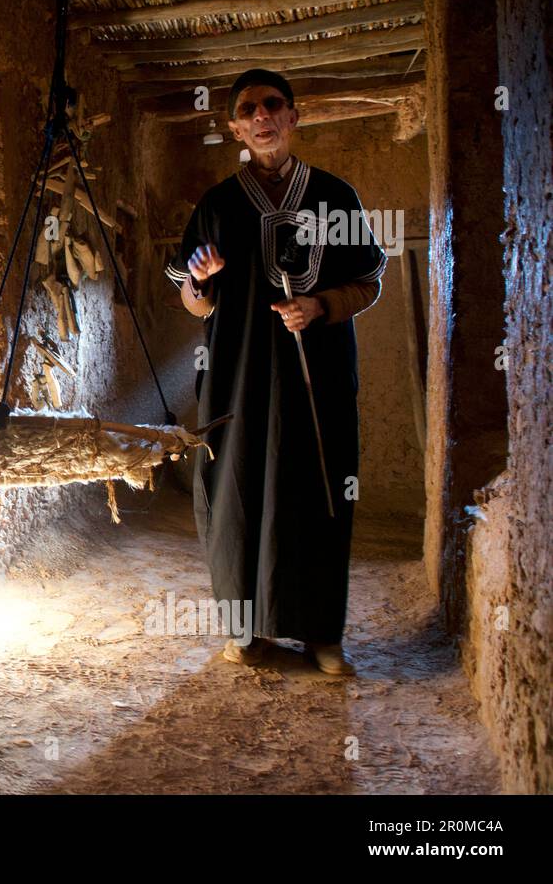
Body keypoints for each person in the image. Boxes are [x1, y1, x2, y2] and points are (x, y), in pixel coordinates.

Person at [164, 69, 388, 675]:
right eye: (248, 109)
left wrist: (320, 306)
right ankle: (245, 632)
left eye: (273, 105)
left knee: (318, 488)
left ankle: (321, 634)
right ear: (235, 125)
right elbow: (193, 303)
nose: (261, 116)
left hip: (318, 375)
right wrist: (199, 282)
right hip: (238, 375)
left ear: (293, 117)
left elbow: (369, 281)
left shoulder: (336, 198)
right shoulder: (216, 205)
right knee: (234, 488)